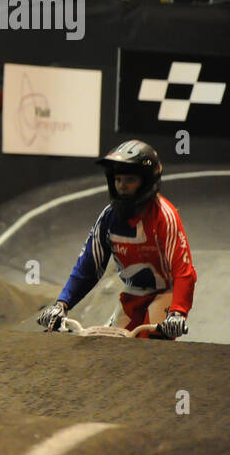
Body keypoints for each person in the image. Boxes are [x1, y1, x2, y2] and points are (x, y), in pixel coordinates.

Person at [37, 141, 195, 340]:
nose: (122, 186)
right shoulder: (108, 218)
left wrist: (177, 313)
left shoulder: (164, 216)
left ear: (147, 181)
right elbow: (88, 266)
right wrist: (61, 305)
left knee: (151, 346)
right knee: (110, 347)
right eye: (118, 179)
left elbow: (184, 271)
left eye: (130, 179)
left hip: (165, 294)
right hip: (132, 294)